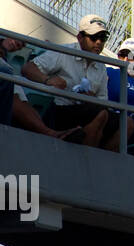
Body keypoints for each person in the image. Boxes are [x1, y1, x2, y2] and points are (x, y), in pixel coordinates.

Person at [20, 15, 121, 149]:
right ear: (80, 37)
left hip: (85, 111)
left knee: (126, 123)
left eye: (102, 38)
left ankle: (103, 162)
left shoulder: (101, 66)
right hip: (60, 109)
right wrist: (48, 80)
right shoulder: (64, 52)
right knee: (100, 113)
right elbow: (28, 68)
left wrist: (91, 98)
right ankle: (86, 158)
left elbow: (103, 101)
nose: (98, 42)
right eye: (93, 37)